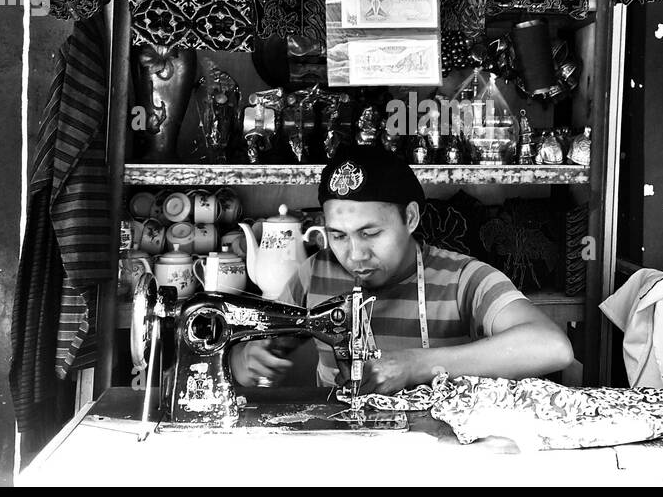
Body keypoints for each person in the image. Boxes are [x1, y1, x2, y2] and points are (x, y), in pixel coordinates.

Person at [228, 144, 574, 393]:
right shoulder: (315, 273)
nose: (355, 254)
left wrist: (418, 365)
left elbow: (551, 346)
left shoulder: (461, 279)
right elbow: (259, 352)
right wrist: (247, 360)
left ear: (410, 218)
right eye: (338, 236)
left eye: (370, 233)